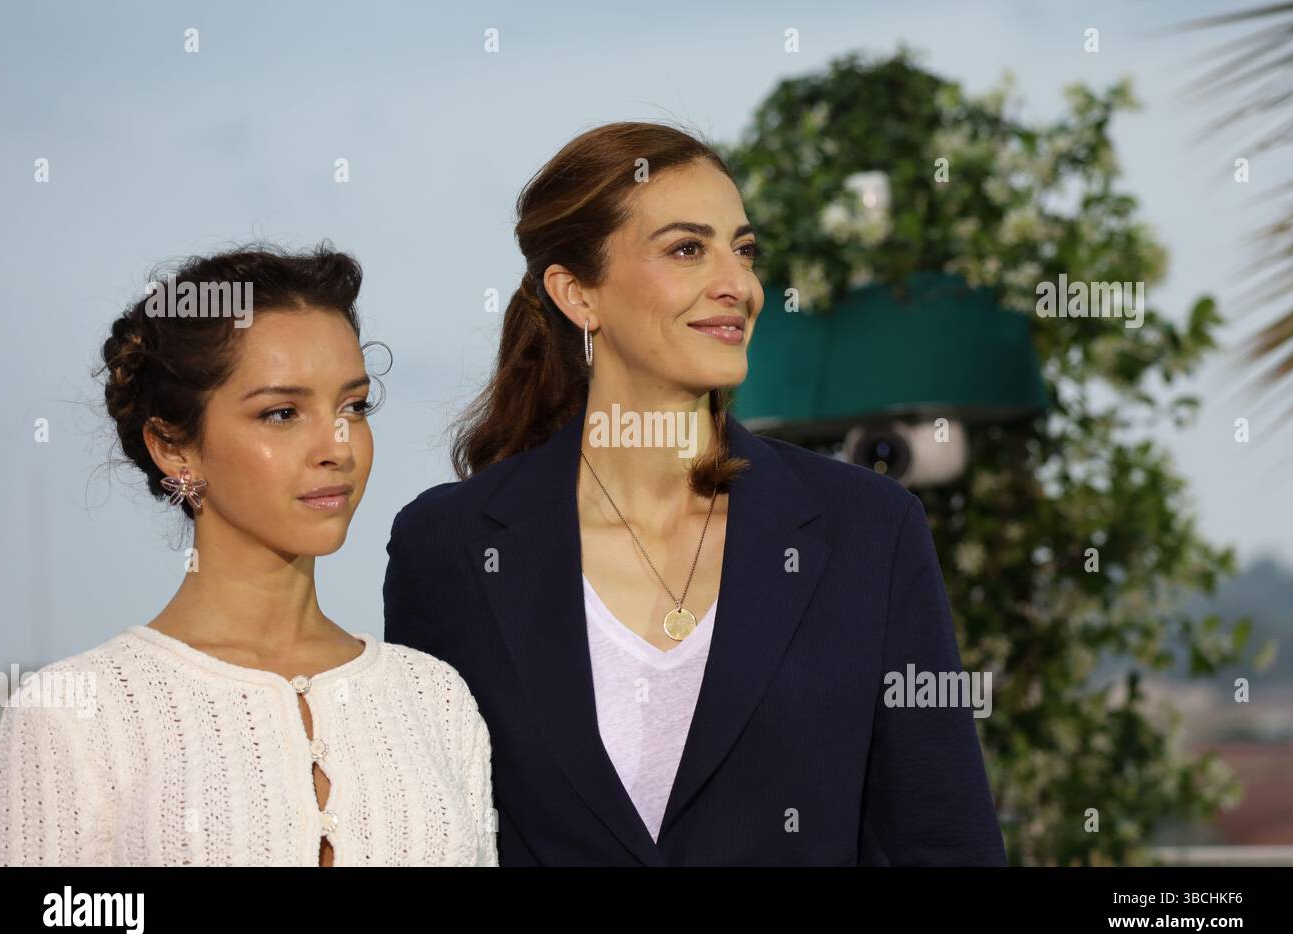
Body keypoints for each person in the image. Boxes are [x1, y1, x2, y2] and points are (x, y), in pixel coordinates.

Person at [383, 122, 1007, 865]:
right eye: (687, 249)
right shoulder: (447, 548)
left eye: (743, 251)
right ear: (577, 293)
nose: (737, 285)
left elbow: (942, 842)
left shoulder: (868, 530)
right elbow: (427, 839)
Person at [0, 243, 496, 866]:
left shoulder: (434, 700)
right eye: (282, 413)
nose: (336, 446)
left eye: (353, 407)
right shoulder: (76, 714)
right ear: (174, 448)